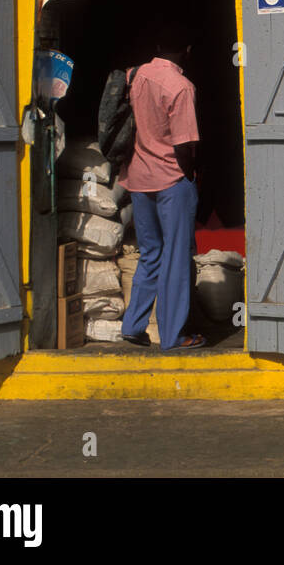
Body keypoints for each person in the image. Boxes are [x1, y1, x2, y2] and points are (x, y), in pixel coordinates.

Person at [118, 21, 206, 350]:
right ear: (187, 51)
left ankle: (133, 325)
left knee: (150, 253)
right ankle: (173, 335)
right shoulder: (181, 86)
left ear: (156, 48)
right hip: (171, 179)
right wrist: (191, 176)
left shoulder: (135, 76)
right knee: (175, 257)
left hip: (140, 179)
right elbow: (185, 144)